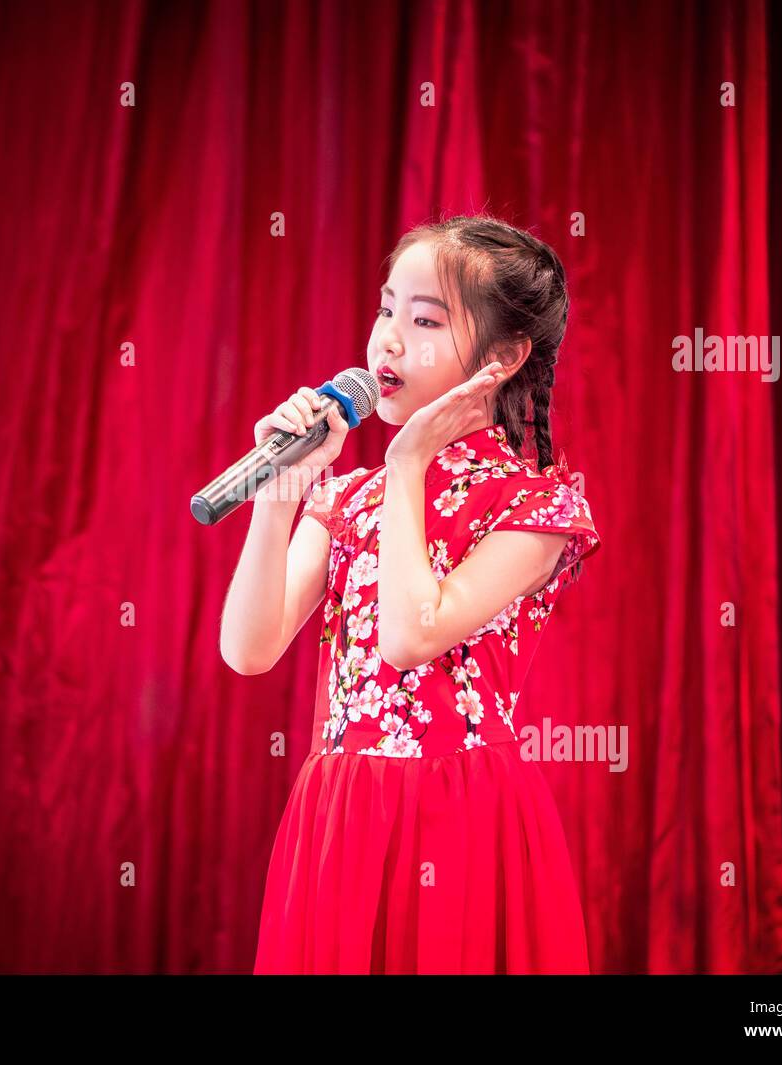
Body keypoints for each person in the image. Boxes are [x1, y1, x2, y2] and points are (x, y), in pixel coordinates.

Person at [221, 214, 601, 975]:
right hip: (340, 816)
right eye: (386, 307)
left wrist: (407, 465)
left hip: (461, 816)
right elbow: (249, 648)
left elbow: (411, 634)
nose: (387, 338)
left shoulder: (535, 509)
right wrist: (282, 488)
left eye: (423, 318)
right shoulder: (351, 497)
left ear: (502, 357)